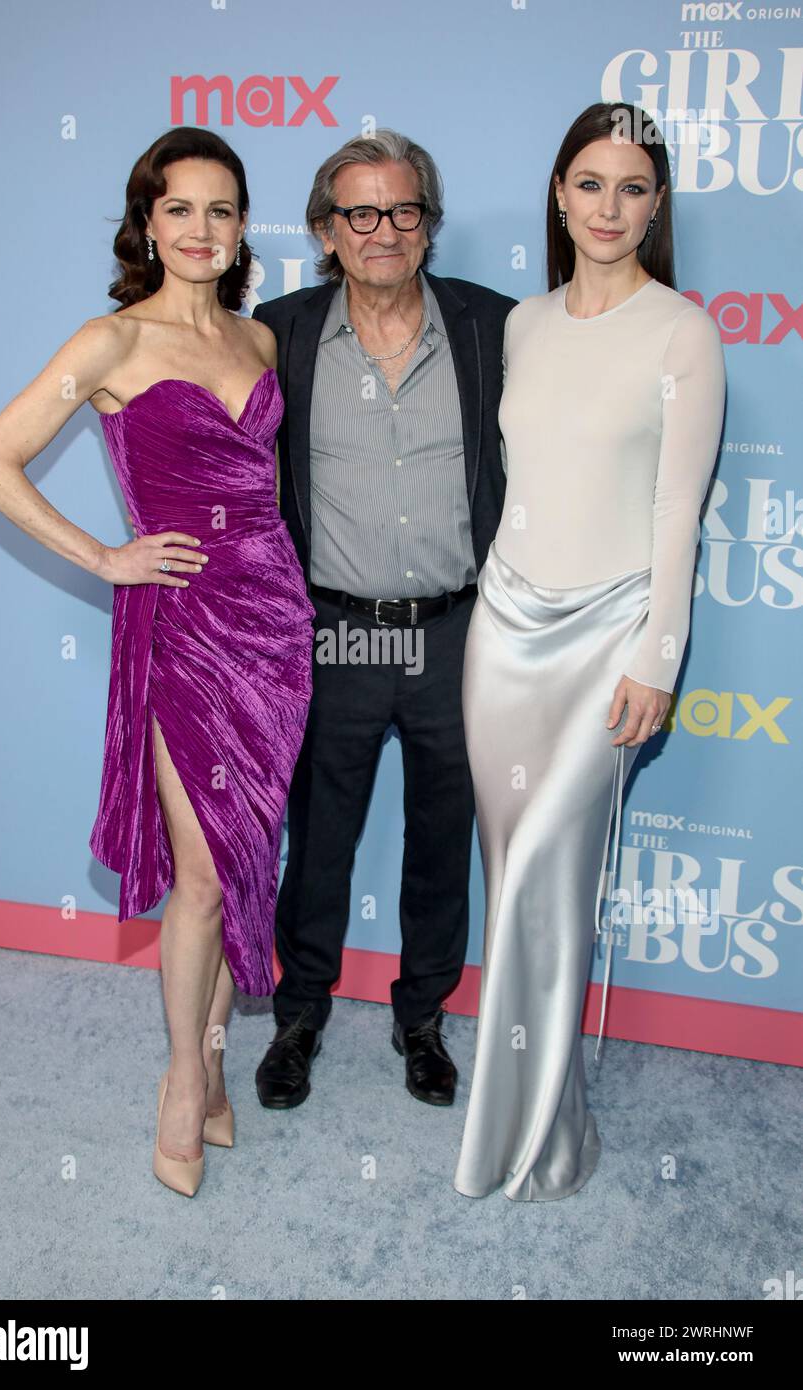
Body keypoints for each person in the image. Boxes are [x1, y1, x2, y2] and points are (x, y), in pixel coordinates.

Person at [0, 127, 315, 1197]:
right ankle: (180, 1078)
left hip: (275, 625)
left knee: (245, 858)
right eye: (180, 210)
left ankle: (210, 1070)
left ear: (241, 226)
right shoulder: (110, 342)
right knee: (201, 869)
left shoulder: (259, 346)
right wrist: (105, 556)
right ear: (147, 223)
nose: (201, 230)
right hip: (183, 621)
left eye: (221, 210)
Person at [453, 103, 726, 1201]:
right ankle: (538, 1115)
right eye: (588, 183)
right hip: (503, 630)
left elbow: (676, 513)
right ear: (558, 196)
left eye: (631, 188)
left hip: (608, 634)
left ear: (654, 207)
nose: (607, 207)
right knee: (504, 873)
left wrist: (656, 656)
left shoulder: (681, 331)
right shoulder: (522, 324)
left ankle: (532, 1143)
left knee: (547, 885)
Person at [251, 129, 516, 1109]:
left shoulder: (493, 327)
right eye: (358, 212)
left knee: (442, 832)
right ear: (325, 230)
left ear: (428, 223)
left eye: (402, 210)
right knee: (318, 835)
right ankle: (299, 1014)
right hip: (334, 632)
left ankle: (420, 1018)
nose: (381, 230)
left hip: (456, 628)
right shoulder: (272, 336)